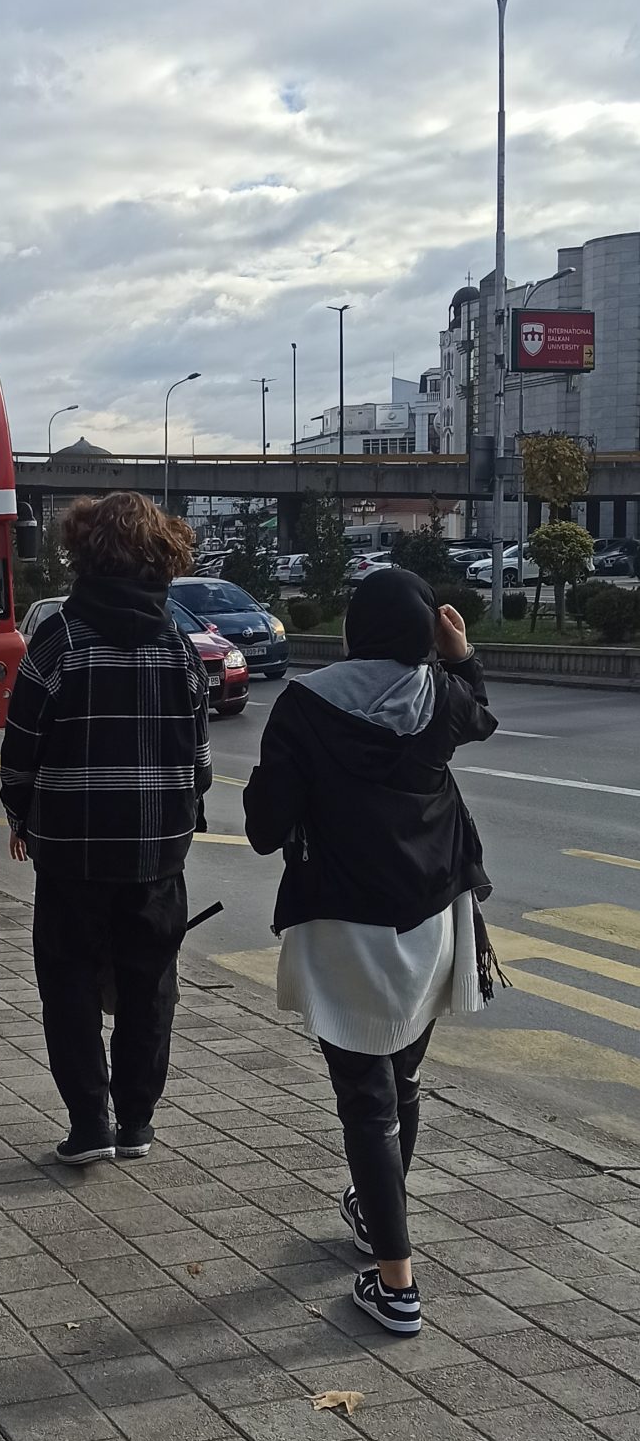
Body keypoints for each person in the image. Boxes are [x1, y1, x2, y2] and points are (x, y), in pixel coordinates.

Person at [242, 568, 498, 1337]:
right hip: (431, 920)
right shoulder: (440, 697)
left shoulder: (304, 704)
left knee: (364, 1100)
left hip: (340, 924)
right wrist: (459, 653)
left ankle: (397, 1285)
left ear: (353, 627)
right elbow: (479, 714)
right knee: (401, 1079)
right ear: (425, 632)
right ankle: (372, 1215)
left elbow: (261, 828)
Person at [0, 492, 212, 1166]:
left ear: (82, 552)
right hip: (156, 853)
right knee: (150, 987)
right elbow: (199, 758)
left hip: (69, 853)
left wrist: (19, 814)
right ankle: (137, 1124)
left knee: (67, 985)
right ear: (159, 553)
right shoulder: (178, 643)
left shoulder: (58, 637)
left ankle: (89, 1123)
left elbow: (21, 743)